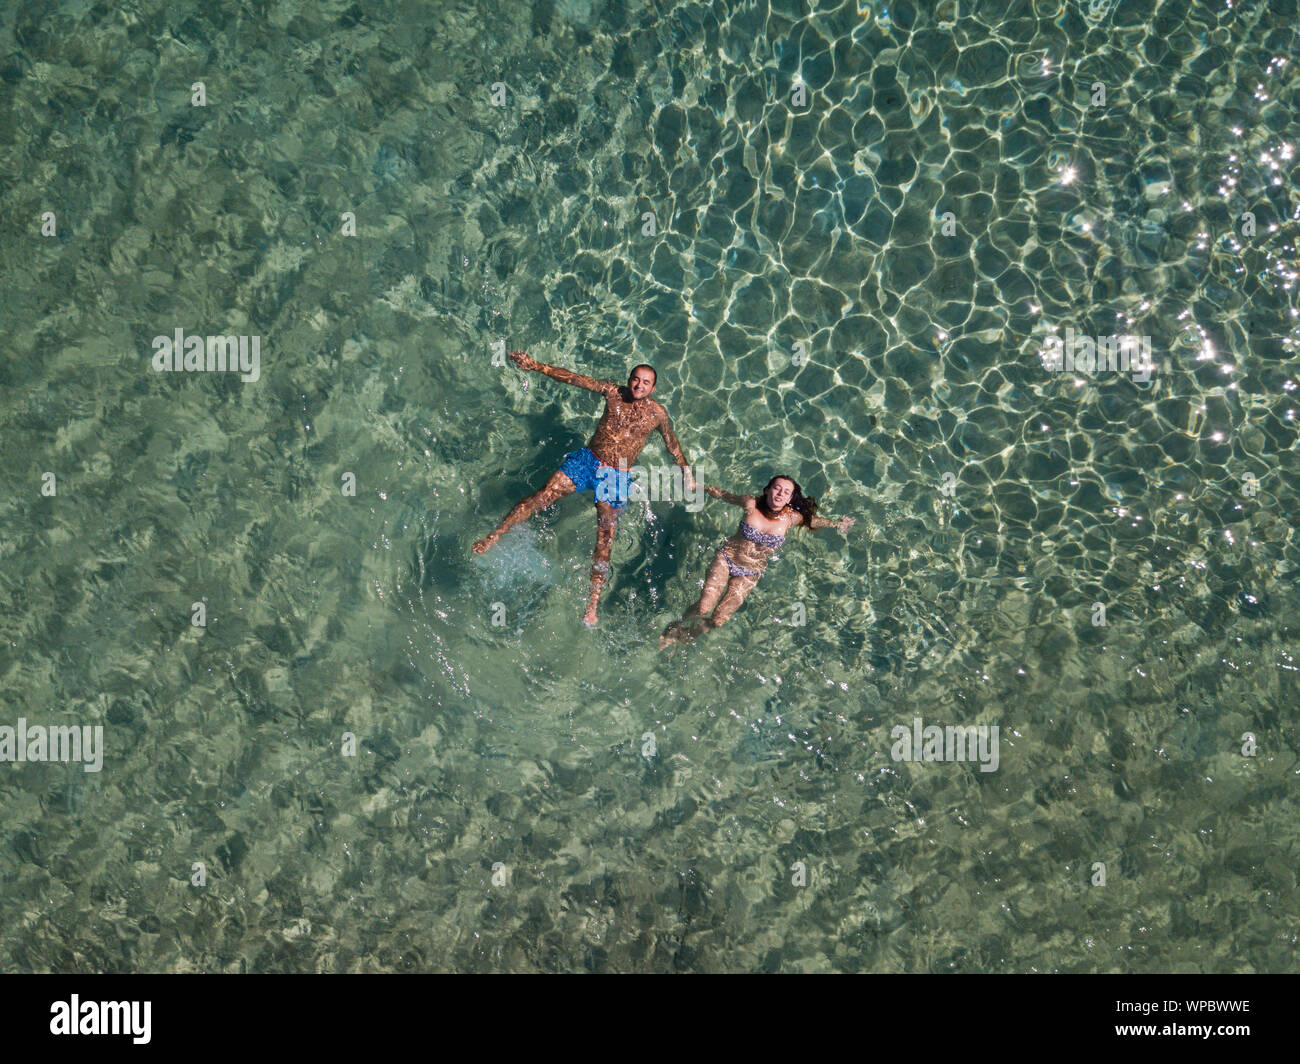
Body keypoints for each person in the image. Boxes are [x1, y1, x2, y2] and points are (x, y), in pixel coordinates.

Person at [474, 351, 695, 627]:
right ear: (629, 380)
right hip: (587, 461)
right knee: (542, 495)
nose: (639, 385)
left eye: (646, 382)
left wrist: (684, 469)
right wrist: (537, 366)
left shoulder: (657, 414)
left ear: (654, 388)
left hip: (617, 474)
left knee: (605, 535)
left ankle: (592, 602)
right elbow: (574, 379)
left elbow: (671, 443)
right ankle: (495, 536)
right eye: (635, 379)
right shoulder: (612, 392)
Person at [659, 475, 854, 647]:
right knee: (704, 608)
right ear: (767, 490)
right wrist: (696, 487)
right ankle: (676, 625)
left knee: (718, 620)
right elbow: (724, 495)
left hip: (751, 572)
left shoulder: (791, 518)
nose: (780, 494)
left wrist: (836, 524)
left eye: (786, 492)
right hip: (727, 559)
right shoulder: (750, 504)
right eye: (777, 488)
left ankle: (682, 638)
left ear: (789, 498)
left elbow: (812, 521)